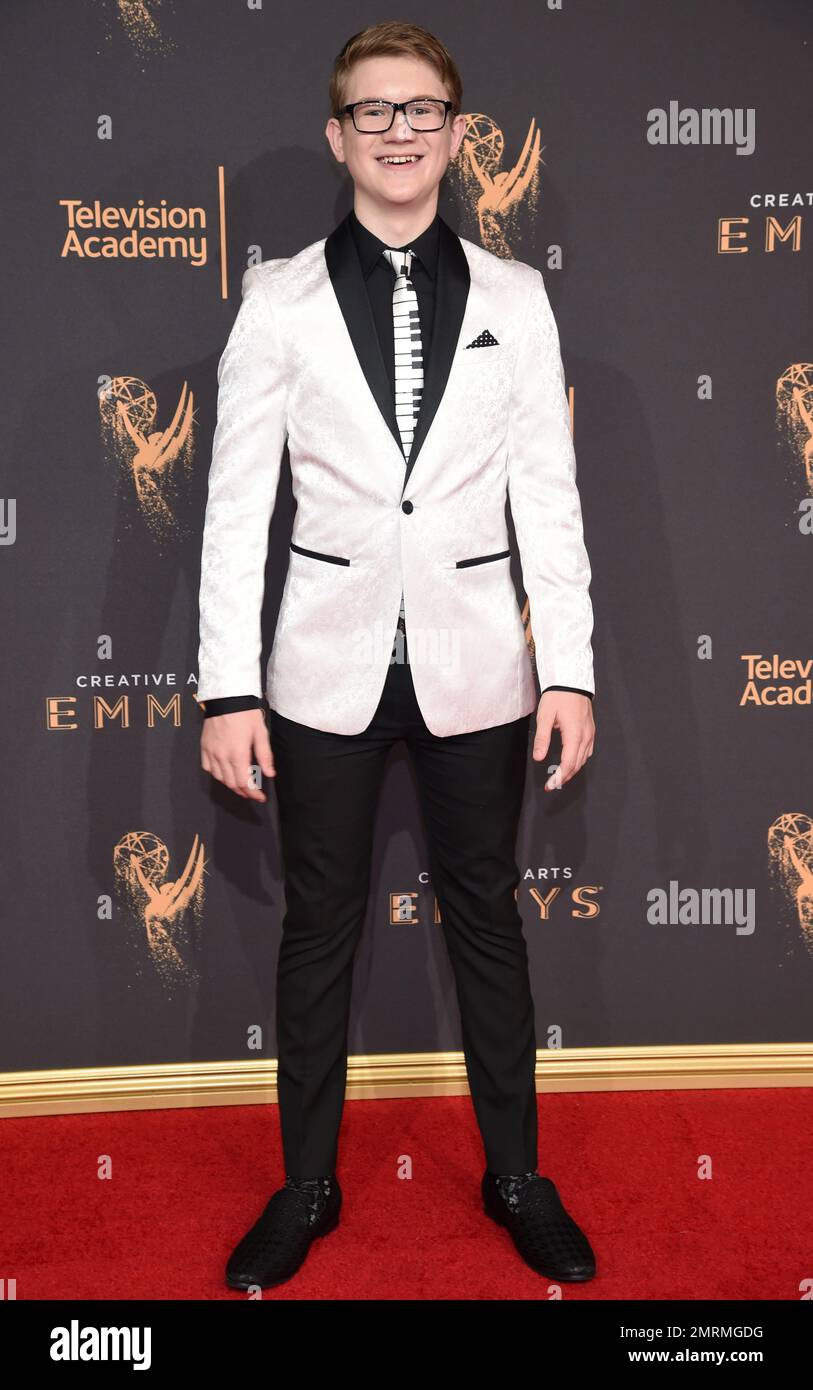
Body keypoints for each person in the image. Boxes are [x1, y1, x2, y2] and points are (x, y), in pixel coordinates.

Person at [197, 20, 597, 1291]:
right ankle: (305, 1187)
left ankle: (517, 1176)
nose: (399, 130)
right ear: (339, 135)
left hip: (480, 667)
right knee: (319, 930)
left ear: (458, 132)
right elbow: (233, 507)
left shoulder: (521, 299)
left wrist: (572, 667)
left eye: (421, 109)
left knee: (488, 922)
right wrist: (227, 688)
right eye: (373, 111)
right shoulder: (277, 301)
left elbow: (550, 495)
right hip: (321, 672)